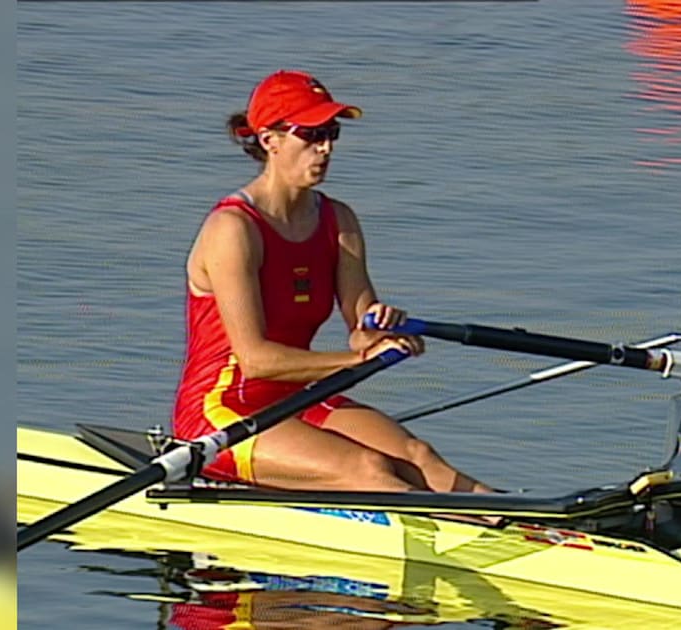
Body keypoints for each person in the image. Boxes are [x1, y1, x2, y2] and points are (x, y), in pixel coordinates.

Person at [172, 70, 494, 496]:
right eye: (311, 134)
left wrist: (380, 328)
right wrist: (357, 360)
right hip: (221, 413)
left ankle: (534, 526)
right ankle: (474, 545)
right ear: (270, 139)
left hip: (296, 398)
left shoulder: (338, 221)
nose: (325, 148)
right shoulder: (233, 229)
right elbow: (256, 361)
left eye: (332, 132)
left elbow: (363, 329)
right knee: (369, 468)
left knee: (419, 457)